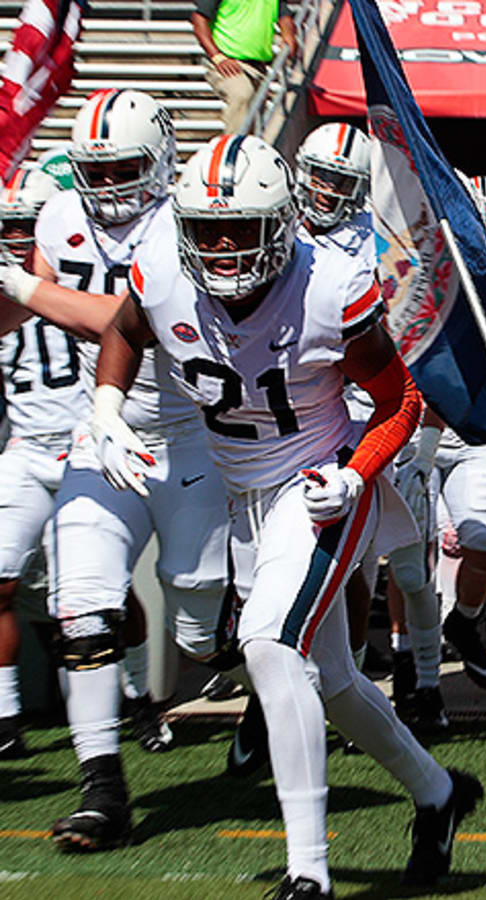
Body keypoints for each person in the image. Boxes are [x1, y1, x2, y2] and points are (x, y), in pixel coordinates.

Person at [93, 133, 481, 899]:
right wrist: (106, 408)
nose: (225, 248)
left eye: (241, 228)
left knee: (268, 645)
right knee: (332, 682)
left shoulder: (330, 285)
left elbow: (399, 400)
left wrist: (355, 474)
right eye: (207, 231)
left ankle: (309, 872)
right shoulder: (164, 272)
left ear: (285, 223)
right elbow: (122, 331)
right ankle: (439, 794)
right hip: (241, 497)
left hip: (317, 487)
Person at [0, 89, 232, 852]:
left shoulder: (189, 222)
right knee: (81, 607)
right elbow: (24, 309)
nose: (108, 188)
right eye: (95, 170)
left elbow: (132, 323)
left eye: (124, 168)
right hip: (100, 434)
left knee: (198, 627)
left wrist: (23, 285)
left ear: (161, 158)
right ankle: (103, 787)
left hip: (192, 440)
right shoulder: (62, 217)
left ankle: (240, 663)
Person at [0, 166, 72, 759]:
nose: (18, 236)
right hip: (25, 448)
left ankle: (135, 702)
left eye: (28, 225)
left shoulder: (84, 272)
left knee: (96, 598)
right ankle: (5, 719)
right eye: (9, 226)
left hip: (86, 449)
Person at [191, 0, 298, 132]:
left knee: (254, 117)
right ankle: (234, 148)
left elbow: (284, 15)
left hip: (258, 66)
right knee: (242, 95)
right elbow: (199, 18)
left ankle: (245, 147)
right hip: (227, 61)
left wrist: (288, 33)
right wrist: (217, 56)